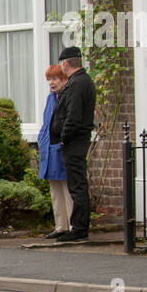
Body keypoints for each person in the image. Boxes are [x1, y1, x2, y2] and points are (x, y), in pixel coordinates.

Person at [49, 46, 95, 242]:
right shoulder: (83, 81)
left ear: (66, 63)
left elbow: (73, 116)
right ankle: (77, 227)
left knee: (76, 186)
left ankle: (79, 229)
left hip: (74, 142)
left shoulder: (77, 84)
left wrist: (64, 137)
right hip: (76, 140)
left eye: (62, 64)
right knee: (77, 185)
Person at [38, 64, 72, 238]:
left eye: (55, 79)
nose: (51, 83)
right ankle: (60, 226)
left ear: (63, 79)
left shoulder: (65, 97)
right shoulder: (50, 98)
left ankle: (72, 226)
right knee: (55, 190)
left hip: (61, 147)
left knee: (67, 189)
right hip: (50, 148)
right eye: (49, 79)